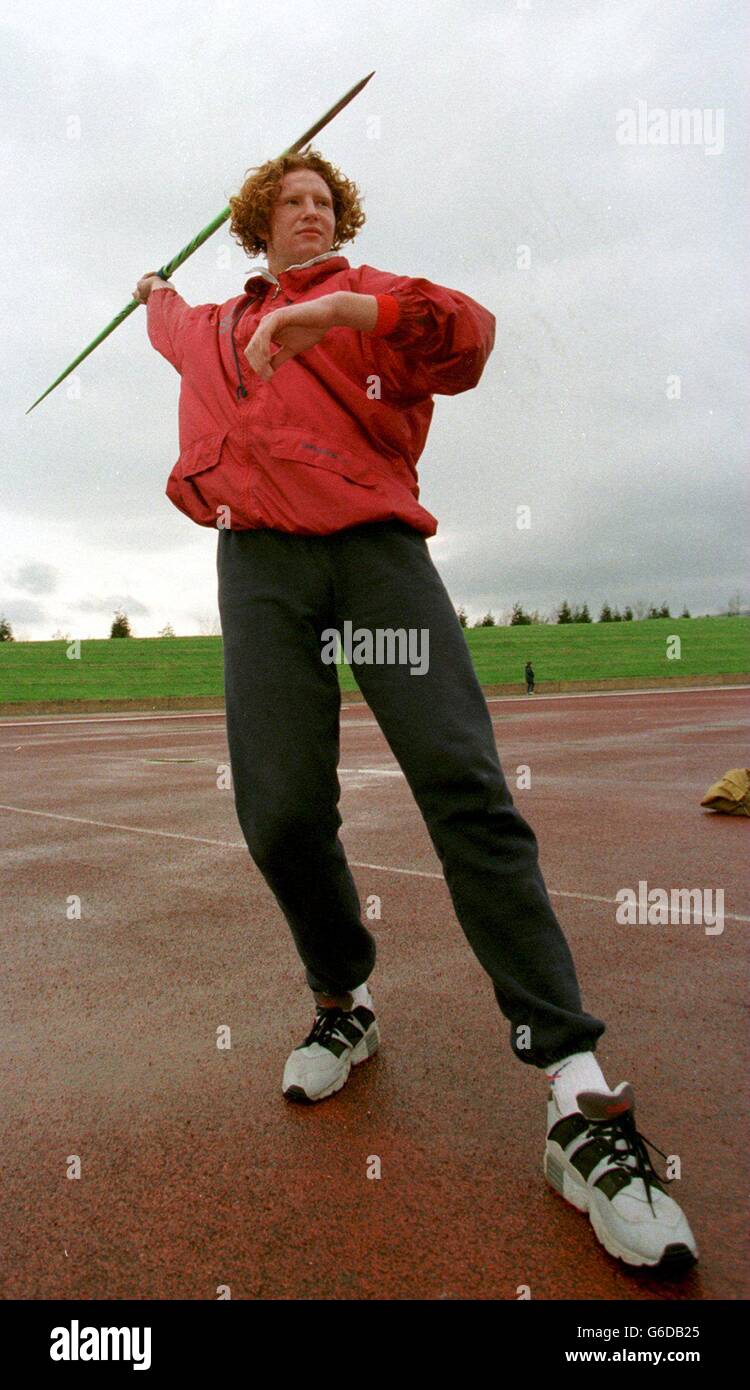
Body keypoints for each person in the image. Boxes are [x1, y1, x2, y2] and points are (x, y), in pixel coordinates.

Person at [133, 149, 697, 1272]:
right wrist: (152, 294)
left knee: (464, 784)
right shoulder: (208, 328)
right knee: (281, 813)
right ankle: (344, 998)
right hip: (260, 571)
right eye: (288, 204)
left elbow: (473, 337)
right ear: (254, 225)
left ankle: (578, 1097)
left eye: (322, 203)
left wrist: (338, 309)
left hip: (377, 554)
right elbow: (165, 316)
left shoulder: (382, 305)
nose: (308, 213)